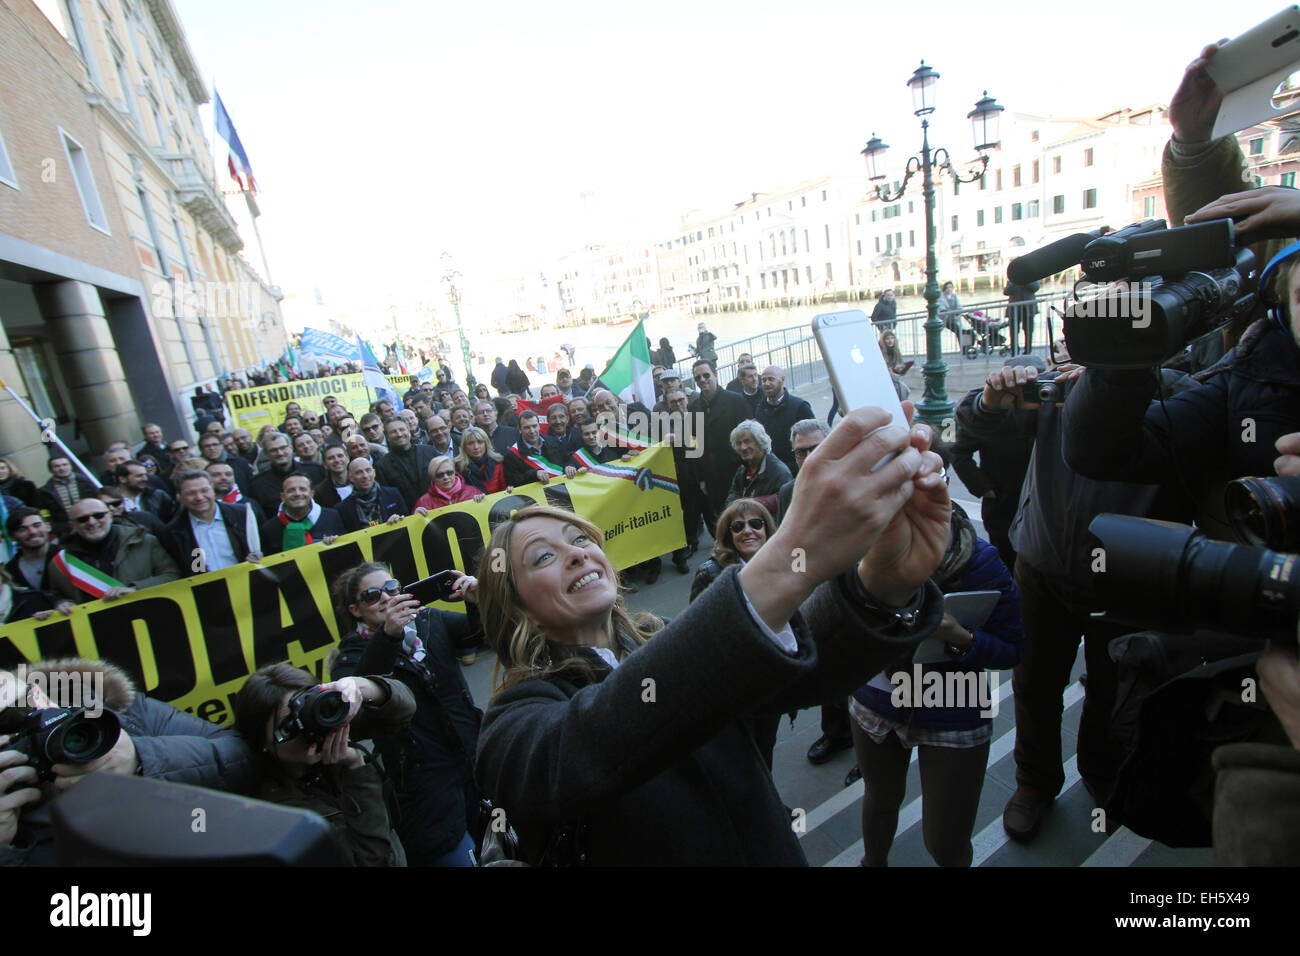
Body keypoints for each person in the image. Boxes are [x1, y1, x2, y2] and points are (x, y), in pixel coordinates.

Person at [472, 402, 949, 865]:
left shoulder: (663, 639)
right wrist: (791, 555)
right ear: (520, 612)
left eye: (579, 539)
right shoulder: (512, 728)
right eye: (542, 557)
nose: (577, 554)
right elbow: (592, 740)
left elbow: (800, 672)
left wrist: (883, 585)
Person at [849, 502, 1023, 866]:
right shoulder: (861, 548)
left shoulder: (981, 561)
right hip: (879, 701)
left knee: (945, 840)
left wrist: (961, 637)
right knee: (880, 801)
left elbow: (1013, 649)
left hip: (954, 708)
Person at [0, 656, 258, 866]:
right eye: (14, 732)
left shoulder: (109, 704)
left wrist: (140, 757)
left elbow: (246, 756)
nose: (37, 729)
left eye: (29, 710)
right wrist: (6, 851)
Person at [330, 562, 486, 865]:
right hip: (422, 784)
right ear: (355, 610)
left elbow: (475, 634)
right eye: (373, 595)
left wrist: (478, 602)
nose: (387, 598)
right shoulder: (349, 655)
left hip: (473, 758)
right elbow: (361, 706)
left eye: (391, 588)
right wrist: (388, 636)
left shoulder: (428, 620)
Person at [233, 665, 415, 866]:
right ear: (262, 742)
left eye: (306, 711)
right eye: (289, 727)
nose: (306, 729)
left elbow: (406, 706)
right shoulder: (279, 812)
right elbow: (374, 861)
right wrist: (355, 769)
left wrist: (361, 687)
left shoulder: (330, 725)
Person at [688, 499, 781, 768]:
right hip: (732, 682)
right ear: (728, 535)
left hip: (770, 679)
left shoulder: (781, 566)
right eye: (738, 526)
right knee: (741, 753)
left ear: (766, 528)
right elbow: (695, 634)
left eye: (755, 523)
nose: (748, 531)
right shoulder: (711, 572)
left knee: (765, 745)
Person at [949, 355, 1042, 572]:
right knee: (1005, 563)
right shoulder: (997, 412)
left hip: (1041, 505)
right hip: (1004, 502)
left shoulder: (1049, 408)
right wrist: (985, 488)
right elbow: (958, 450)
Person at [49, 498, 181, 604]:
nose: (92, 522)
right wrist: (62, 603)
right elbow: (57, 595)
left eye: (99, 515)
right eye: (83, 519)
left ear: (110, 515)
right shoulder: (61, 560)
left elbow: (172, 576)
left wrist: (135, 589)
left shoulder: (145, 542)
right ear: (72, 525)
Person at [161, 470, 262, 575]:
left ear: (213, 490)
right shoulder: (174, 532)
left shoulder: (243, 514)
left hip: (249, 582)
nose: (199, 497)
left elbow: (265, 547)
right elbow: (191, 569)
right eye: (191, 493)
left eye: (204, 490)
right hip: (209, 589)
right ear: (179, 497)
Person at [689, 359, 750, 529]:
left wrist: (750, 470)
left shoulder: (736, 401)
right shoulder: (693, 408)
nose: (702, 380)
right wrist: (701, 478)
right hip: (711, 477)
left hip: (737, 472)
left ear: (715, 374)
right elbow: (695, 446)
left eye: (706, 375)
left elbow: (750, 439)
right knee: (723, 522)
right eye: (698, 378)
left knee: (742, 518)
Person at [259, 475, 345, 555]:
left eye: (302, 489)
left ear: (312, 494)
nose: (297, 494)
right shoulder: (269, 528)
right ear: (283, 497)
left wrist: (336, 542)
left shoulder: (333, 517)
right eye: (291, 490)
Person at [754, 366, 815, 475]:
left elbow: (813, 440)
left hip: (796, 471)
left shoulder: (800, 407)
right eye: (763, 380)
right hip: (772, 472)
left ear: (782, 379)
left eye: (771, 379)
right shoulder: (760, 409)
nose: (767, 383)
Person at [248, 433, 326, 515]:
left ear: (291, 448)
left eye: (283, 448)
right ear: (266, 454)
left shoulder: (316, 471)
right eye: (273, 450)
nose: (280, 453)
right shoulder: (257, 484)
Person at [725, 420, 792, 506]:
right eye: (738, 443)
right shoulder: (743, 469)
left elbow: (784, 507)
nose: (743, 447)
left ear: (760, 441)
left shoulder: (780, 472)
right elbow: (732, 496)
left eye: (747, 441)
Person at [374, 418, 435, 513]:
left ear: (409, 431)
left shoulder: (430, 452)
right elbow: (387, 498)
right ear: (387, 437)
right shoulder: (382, 465)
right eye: (393, 432)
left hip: (437, 510)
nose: (399, 434)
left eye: (402, 429)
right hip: (407, 517)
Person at [336, 458, 407, 532]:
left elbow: (407, 520)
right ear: (351, 478)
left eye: (368, 470)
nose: (365, 476)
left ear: (374, 472)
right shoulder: (343, 508)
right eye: (359, 472)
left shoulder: (393, 494)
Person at [502, 410, 567, 487]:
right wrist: (534, 474)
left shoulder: (554, 441)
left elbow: (567, 459)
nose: (532, 431)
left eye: (534, 426)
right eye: (527, 427)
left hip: (562, 491)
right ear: (519, 429)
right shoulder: (512, 455)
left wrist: (570, 466)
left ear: (539, 426)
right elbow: (513, 482)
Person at [38, 456, 97, 534]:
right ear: (51, 470)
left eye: (65, 464)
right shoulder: (45, 491)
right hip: (64, 531)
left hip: (90, 524)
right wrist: (54, 526)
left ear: (70, 466)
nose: (62, 468)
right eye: (57, 466)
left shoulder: (87, 482)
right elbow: (44, 512)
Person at [414, 455, 483, 513]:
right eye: (440, 475)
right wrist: (416, 518)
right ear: (433, 478)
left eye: (449, 472)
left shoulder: (473, 492)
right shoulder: (424, 502)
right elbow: (415, 528)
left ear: (455, 472)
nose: (446, 477)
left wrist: (483, 501)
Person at [455, 426, 510, 496]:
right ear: (464, 447)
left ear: (486, 444)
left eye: (480, 442)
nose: (476, 447)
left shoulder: (497, 462)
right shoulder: (458, 466)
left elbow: (504, 490)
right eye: (471, 443)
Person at [1003, 280, 1040, 355]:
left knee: (1029, 330)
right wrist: (1015, 282)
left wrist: (1025, 280)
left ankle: (1028, 350)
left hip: (1028, 309)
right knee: (1013, 331)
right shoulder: (1012, 279)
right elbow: (1006, 292)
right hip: (1014, 310)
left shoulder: (1031, 276)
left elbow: (1036, 287)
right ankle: (1014, 350)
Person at [314, 443, 355, 508]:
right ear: (325, 464)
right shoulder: (319, 492)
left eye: (340, 456)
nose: (337, 460)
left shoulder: (361, 481)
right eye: (331, 458)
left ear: (348, 459)